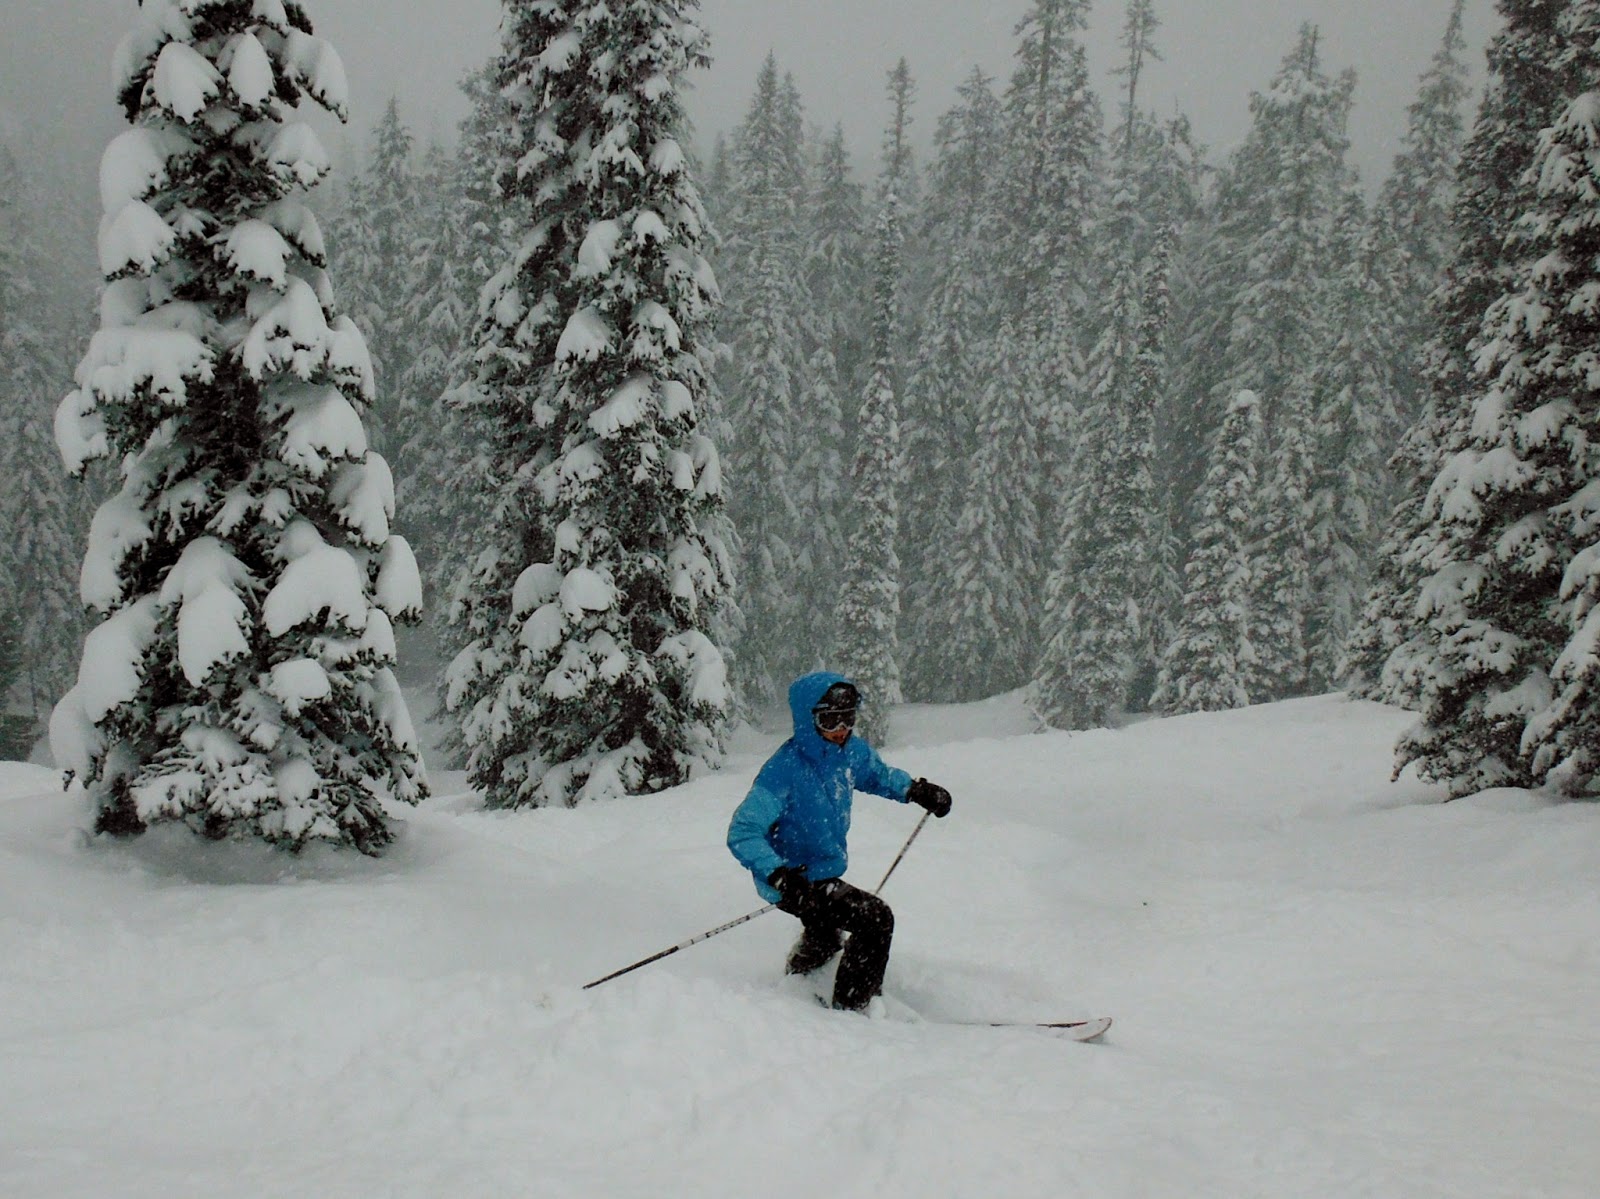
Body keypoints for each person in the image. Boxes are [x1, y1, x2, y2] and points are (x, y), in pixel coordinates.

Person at [726, 671, 953, 1012]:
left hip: (823, 871)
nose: (841, 729)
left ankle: (800, 980)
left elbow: (878, 776)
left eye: (848, 718)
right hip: (795, 880)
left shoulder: (849, 752)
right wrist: (779, 875)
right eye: (830, 720)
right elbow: (743, 832)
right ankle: (853, 1008)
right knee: (875, 919)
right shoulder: (783, 770)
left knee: (825, 934)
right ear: (808, 719)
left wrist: (916, 790)